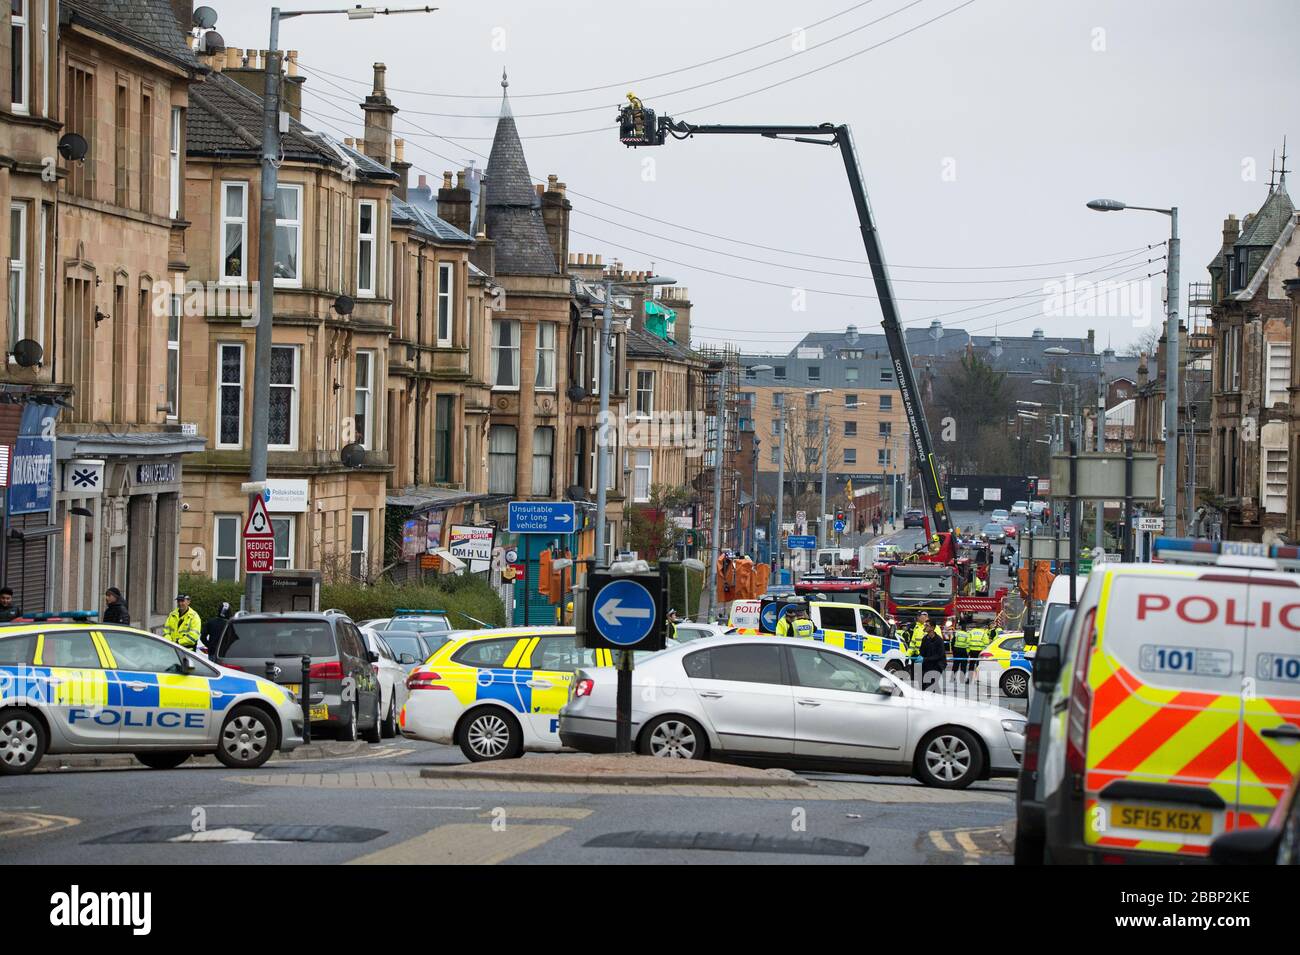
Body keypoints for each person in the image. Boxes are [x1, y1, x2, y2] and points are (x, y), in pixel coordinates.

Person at [919, 621, 947, 692]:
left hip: (937, 665)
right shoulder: (925, 639)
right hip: (926, 665)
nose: (925, 626)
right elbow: (922, 651)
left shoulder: (939, 640)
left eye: (927, 625)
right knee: (923, 686)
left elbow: (939, 655)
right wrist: (921, 657)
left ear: (932, 628)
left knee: (931, 687)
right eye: (925, 625)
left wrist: (925, 659)